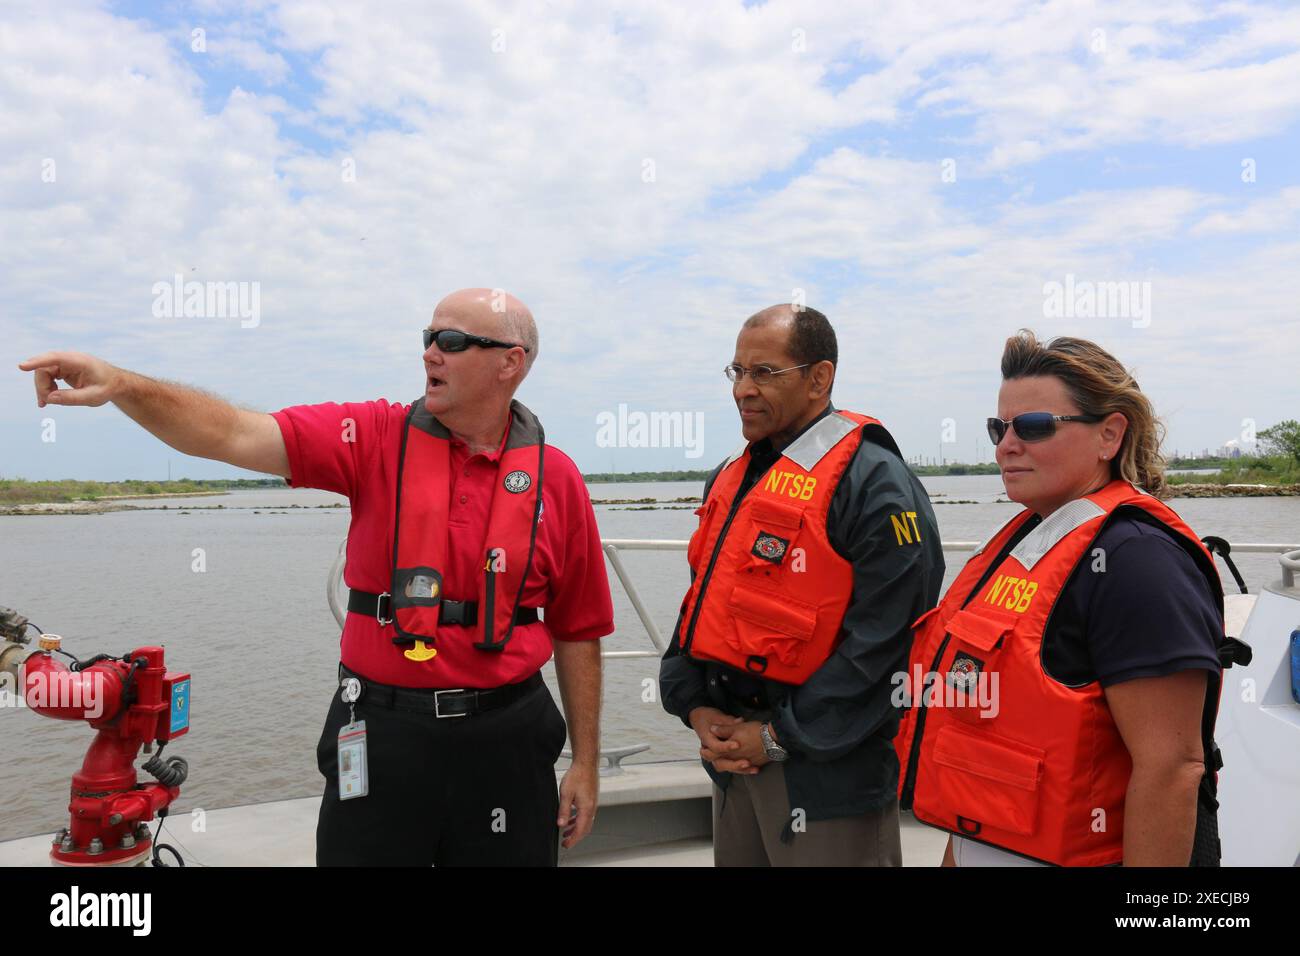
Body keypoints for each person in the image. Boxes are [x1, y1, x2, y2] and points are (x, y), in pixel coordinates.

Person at [19, 288, 612, 866]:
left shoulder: (555, 479)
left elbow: (579, 628)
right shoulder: (372, 435)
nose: (429, 352)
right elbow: (230, 432)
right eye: (428, 337)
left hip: (509, 739)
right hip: (381, 732)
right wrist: (122, 383)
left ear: (512, 362)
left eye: (451, 340)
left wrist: (585, 761)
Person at [896, 330, 1235, 867]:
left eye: (1034, 426)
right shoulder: (1026, 540)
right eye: (998, 427)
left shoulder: (1138, 561)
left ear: (1109, 435)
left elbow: (1171, 768)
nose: (1007, 445)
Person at [659, 304, 945, 866]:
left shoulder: (874, 483)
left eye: (764, 373)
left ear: (820, 378)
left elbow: (888, 643)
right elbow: (702, 605)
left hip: (826, 781)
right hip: (732, 766)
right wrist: (695, 707)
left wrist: (774, 737)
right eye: (736, 372)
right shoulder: (732, 476)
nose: (743, 389)